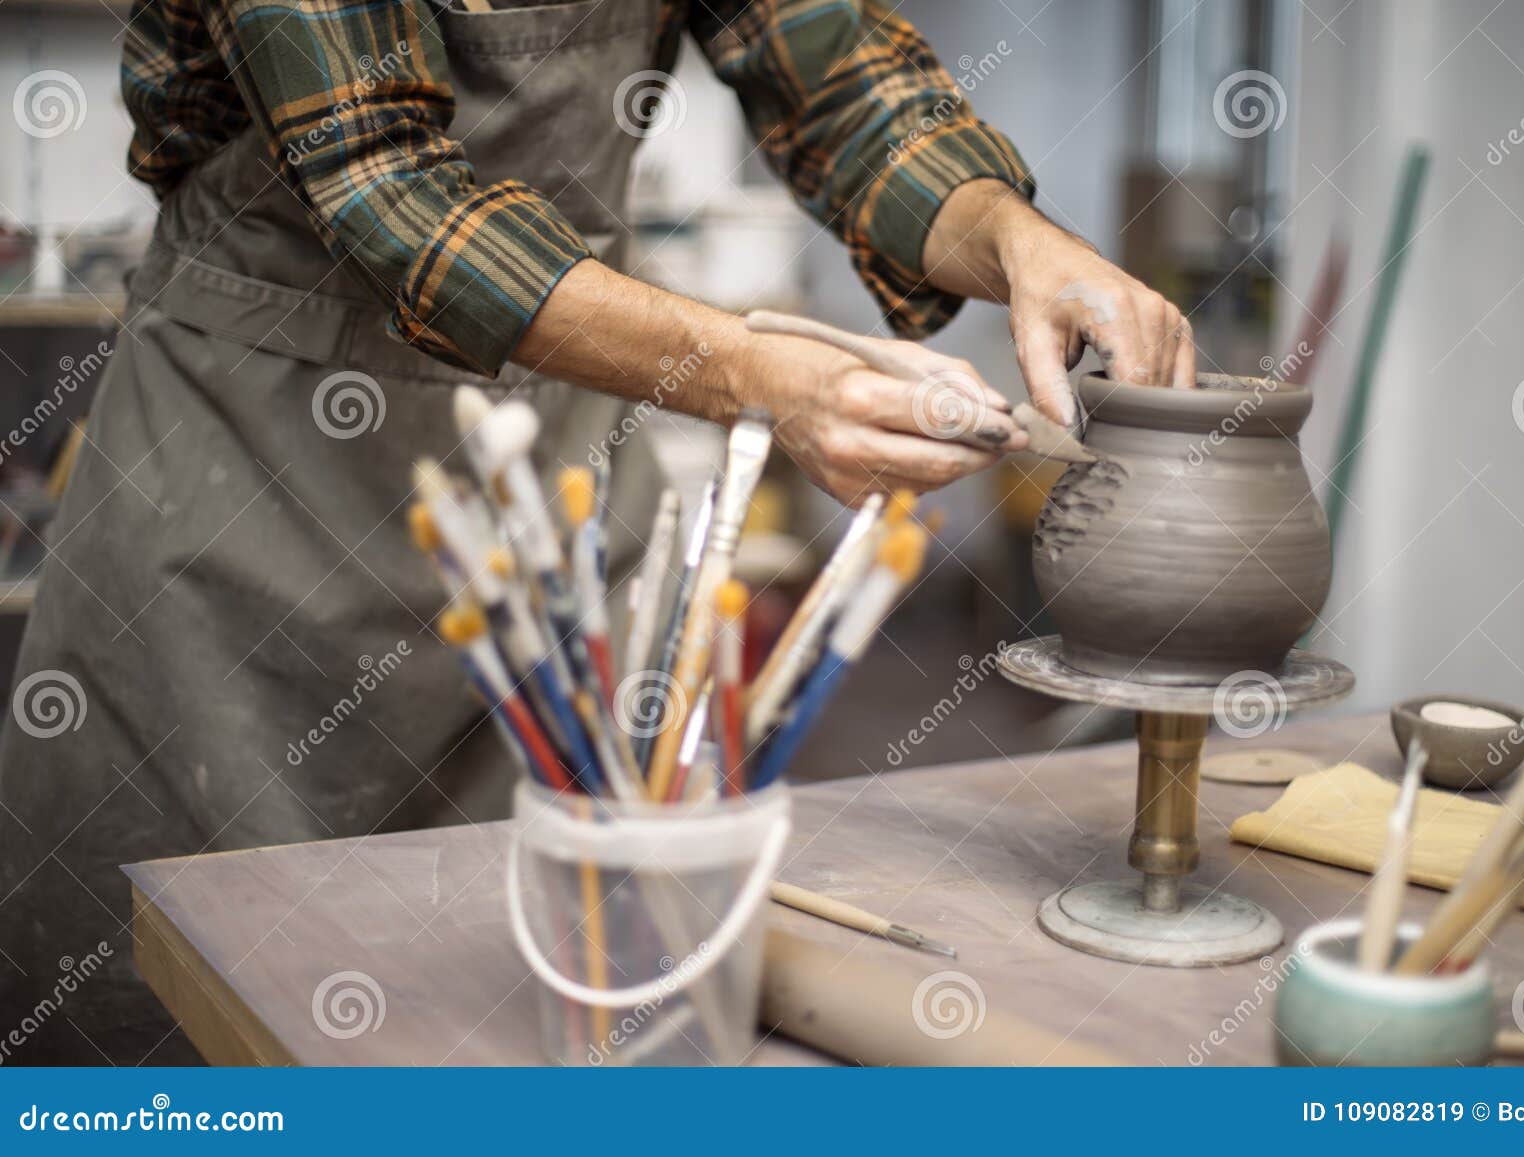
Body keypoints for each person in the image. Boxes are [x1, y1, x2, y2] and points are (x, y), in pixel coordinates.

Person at [0, 0, 1194, 1064]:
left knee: (564, 988)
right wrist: (754, 376)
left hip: (551, 470)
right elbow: (387, 186)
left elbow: (844, 86)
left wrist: (1016, 233)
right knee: (196, 1010)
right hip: (246, 478)